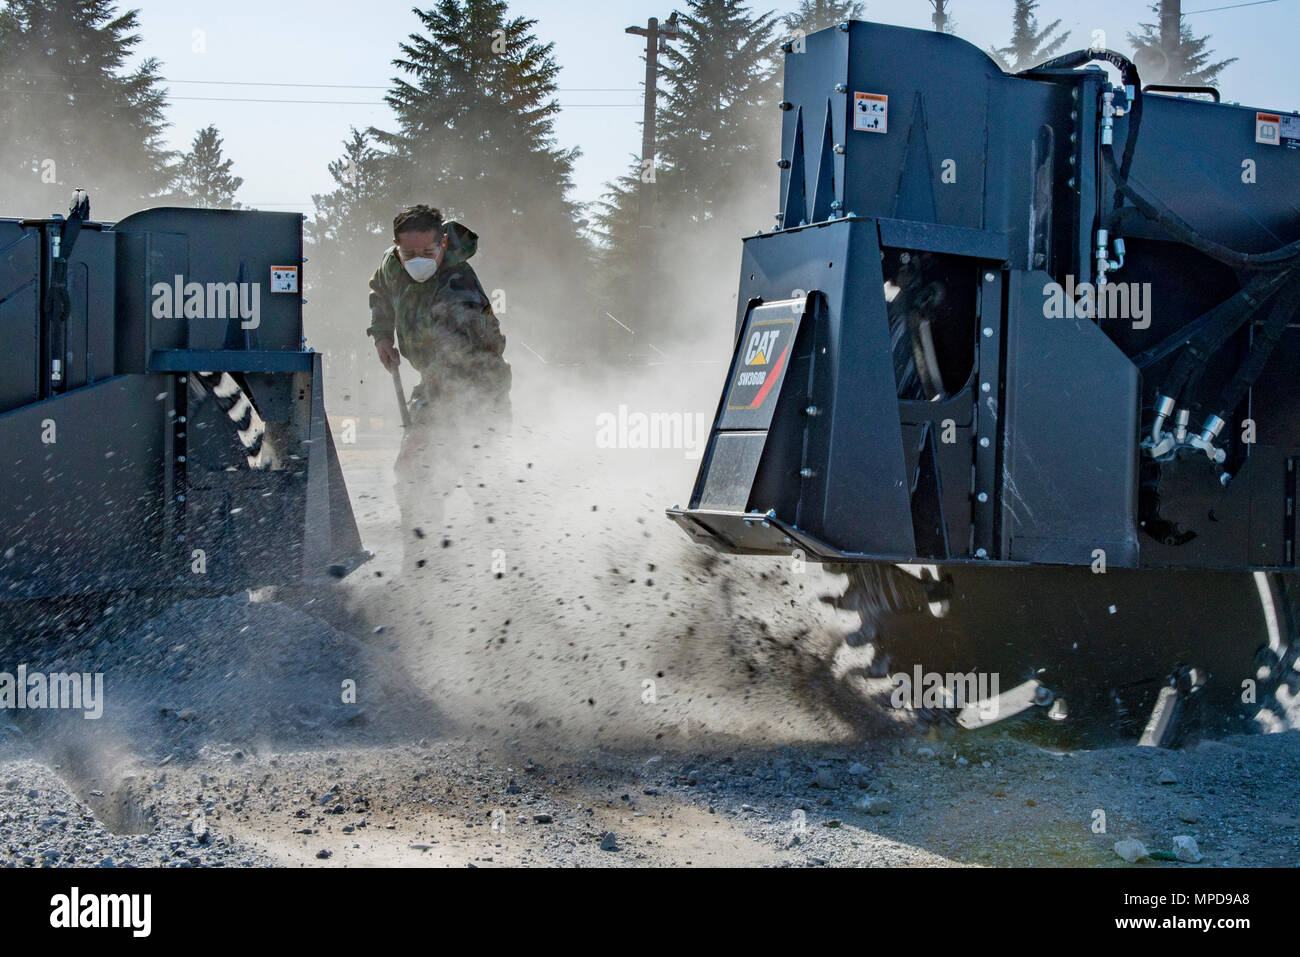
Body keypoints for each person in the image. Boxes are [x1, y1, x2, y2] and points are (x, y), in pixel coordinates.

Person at [366, 204, 510, 566]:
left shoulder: (458, 288)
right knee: (416, 476)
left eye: (427, 253)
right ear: (396, 246)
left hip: (478, 388)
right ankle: (422, 566)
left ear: (443, 243)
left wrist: (429, 423)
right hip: (434, 380)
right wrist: (382, 336)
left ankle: (501, 568)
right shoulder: (392, 263)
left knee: (479, 478)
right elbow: (380, 292)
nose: (416, 261)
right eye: (408, 253)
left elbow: (465, 364)